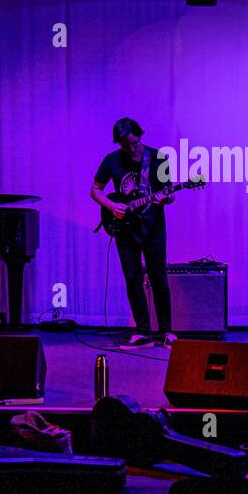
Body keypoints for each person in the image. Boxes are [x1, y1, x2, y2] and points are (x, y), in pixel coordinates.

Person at [90, 118, 176, 349]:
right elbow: (95, 190)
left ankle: (167, 331)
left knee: (159, 278)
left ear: (140, 136)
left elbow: (170, 195)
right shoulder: (112, 160)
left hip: (154, 227)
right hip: (125, 229)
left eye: (134, 144)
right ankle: (143, 332)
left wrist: (166, 197)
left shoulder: (159, 159)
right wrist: (111, 206)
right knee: (132, 279)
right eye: (125, 145)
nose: (131, 149)